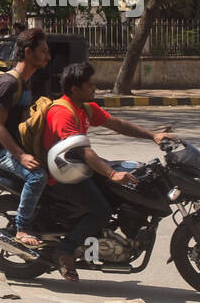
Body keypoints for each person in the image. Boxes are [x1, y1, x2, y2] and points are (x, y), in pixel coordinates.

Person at [42, 61, 172, 282]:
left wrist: (153, 135)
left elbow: (118, 124)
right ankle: (65, 250)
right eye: (90, 85)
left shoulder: (85, 107)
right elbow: (83, 151)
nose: (95, 88)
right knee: (100, 210)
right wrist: (111, 174)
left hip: (77, 166)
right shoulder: (62, 113)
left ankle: (102, 237)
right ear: (75, 89)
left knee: (129, 181)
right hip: (61, 174)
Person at [0, 28, 51, 248]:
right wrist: (22, 156)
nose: (48, 56)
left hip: (18, 145)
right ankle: (22, 228)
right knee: (37, 177)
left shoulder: (27, 81)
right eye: (43, 51)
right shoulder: (9, 83)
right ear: (27, 52)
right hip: (1, 150)